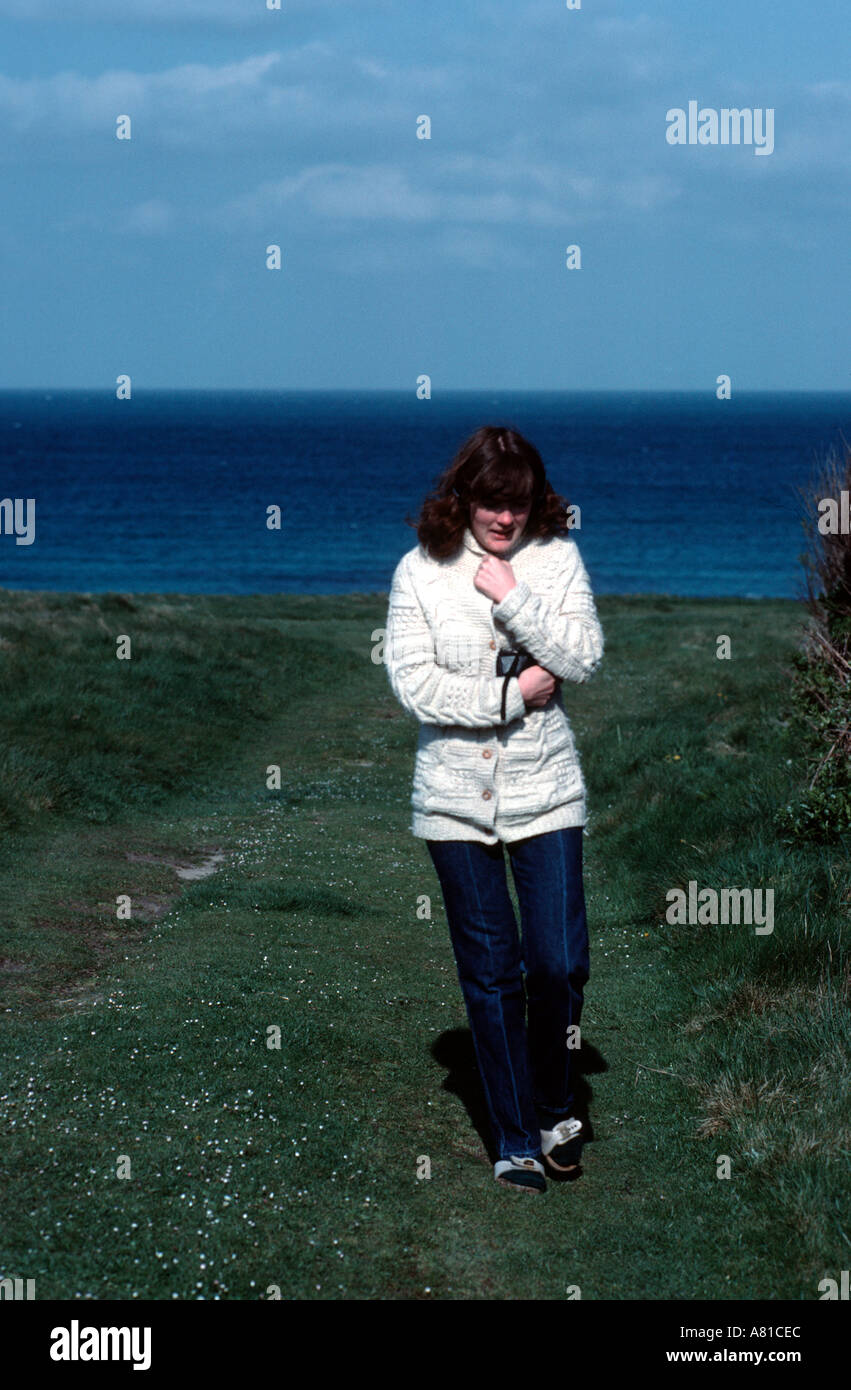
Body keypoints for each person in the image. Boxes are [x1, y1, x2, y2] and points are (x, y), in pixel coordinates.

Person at [383, 424, 605, 1194]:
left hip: (547, 792)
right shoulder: (419, 571)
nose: (503, 520)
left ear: (534, 503)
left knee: (558, 962)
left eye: (516, 504)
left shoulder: (555, 559)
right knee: (491, 972)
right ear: (463, 497)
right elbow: (417, 690)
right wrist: (513, 694)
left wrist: (516, 601)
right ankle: (514, 1138)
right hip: (453, 801)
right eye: (489, 502)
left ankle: (552, 1105)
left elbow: (581, 656)